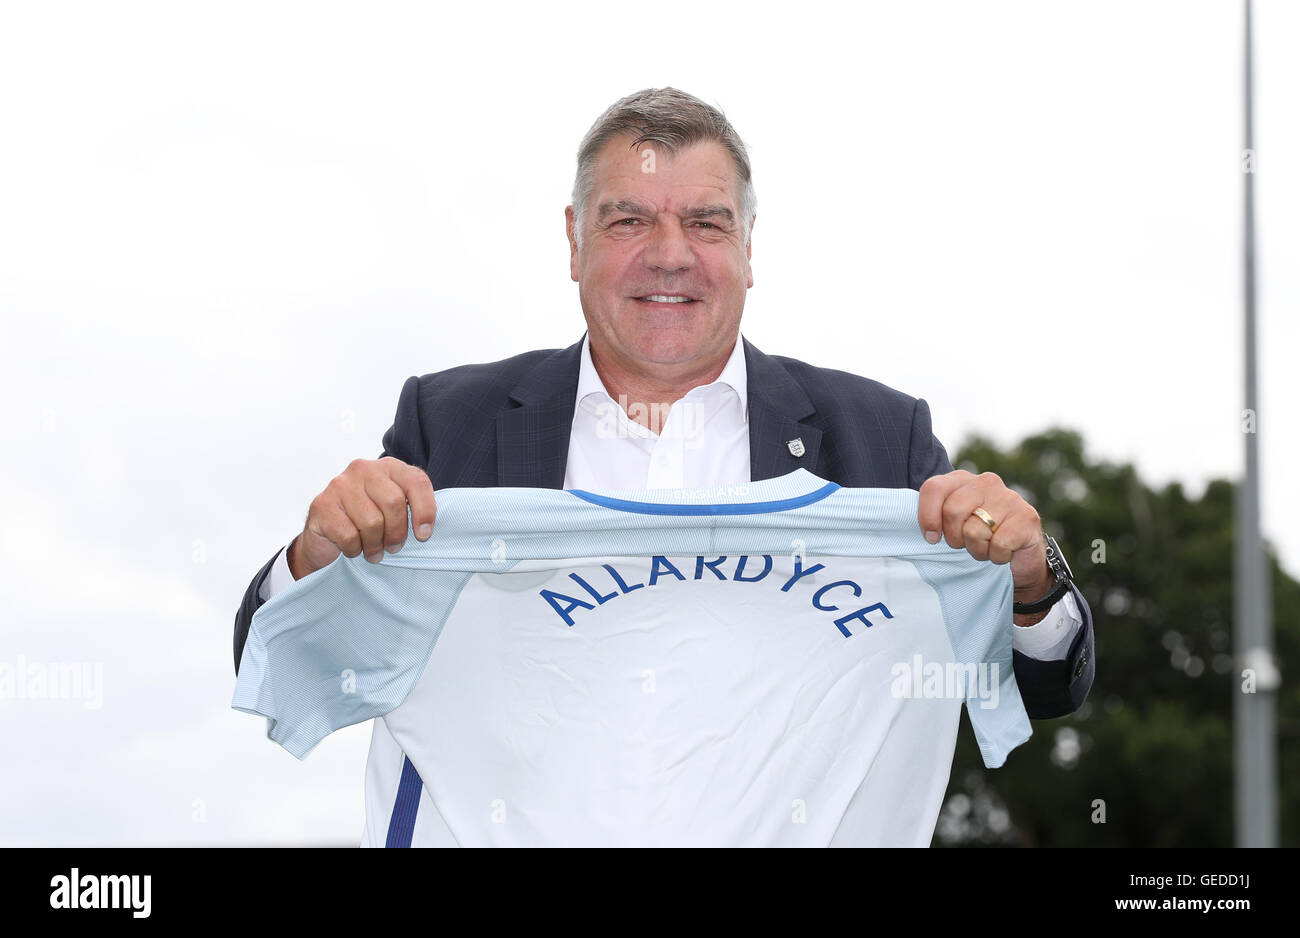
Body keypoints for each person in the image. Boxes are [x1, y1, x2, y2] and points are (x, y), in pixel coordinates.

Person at [232, 87, 1094, 839]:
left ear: (750, 246)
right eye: (629, 219)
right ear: (574, 241)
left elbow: (1049, 687)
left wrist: (1027, 576)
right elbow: (279, 658)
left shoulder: (878, 440)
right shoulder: (451, 429)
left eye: (706, 222)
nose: (670, 253)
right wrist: (314, 557)